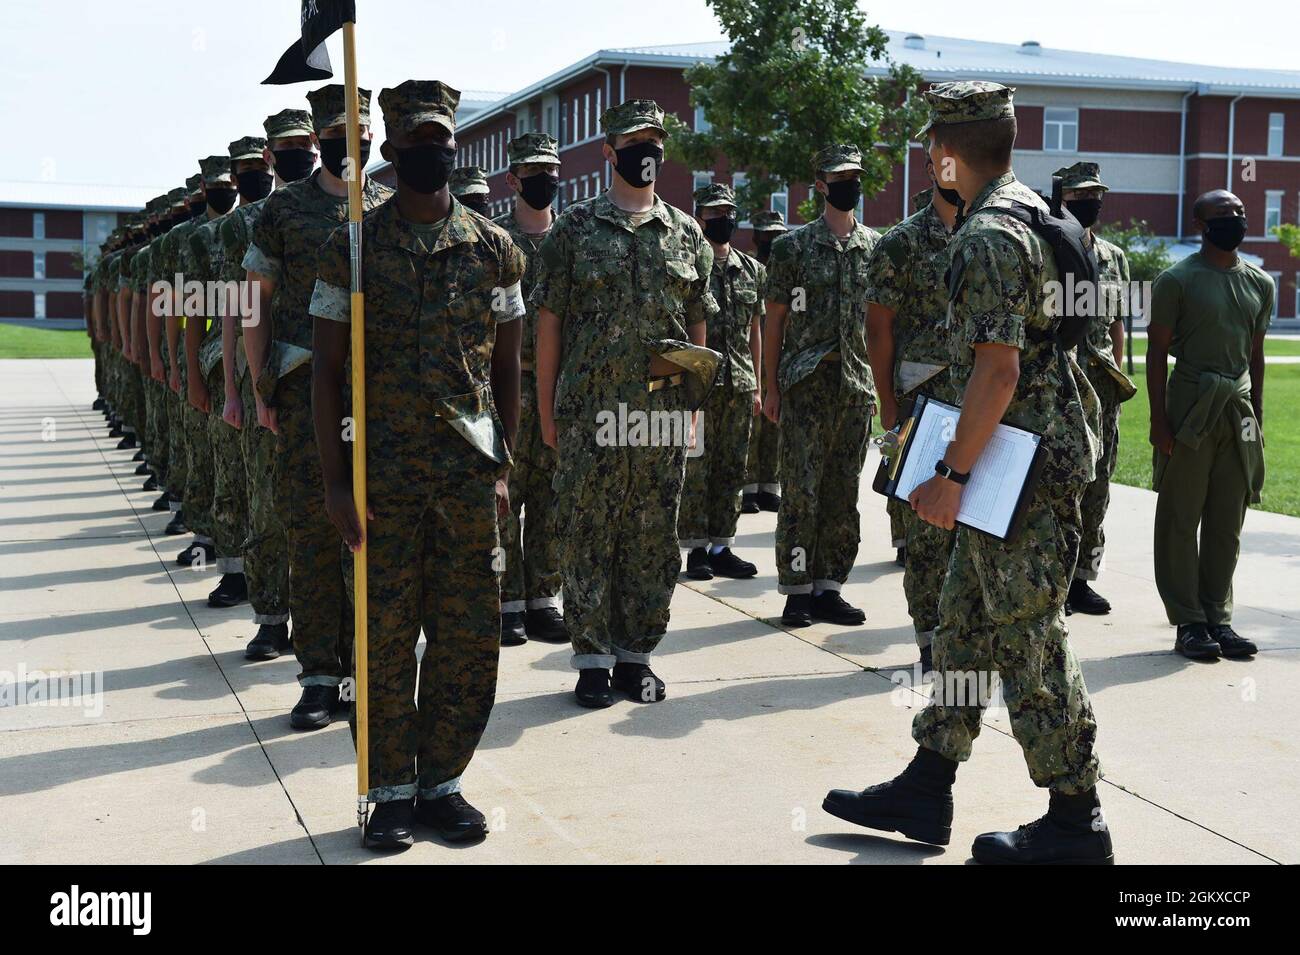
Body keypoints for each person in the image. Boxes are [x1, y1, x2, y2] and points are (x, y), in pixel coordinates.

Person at [824, 82, 1112, 865]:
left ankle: (1075, 816)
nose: (925, 156)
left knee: (1028, 637)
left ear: (951, 154)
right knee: (965, 628)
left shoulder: (989, 234)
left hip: (1013, 466)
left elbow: (998, 371)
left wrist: (950, 473)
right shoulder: (1038, 214)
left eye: (930, 144)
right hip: (1018, 460)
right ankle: (928, 780)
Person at [311, 79, 525, 850]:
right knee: (383, 636)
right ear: (391, 151)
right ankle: (387, 791)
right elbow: (326, 373)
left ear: (453, 147)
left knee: (469, 634)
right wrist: (336, 482)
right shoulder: (355, 246)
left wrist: (502, 463)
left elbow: (508, 366)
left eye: (442, 140)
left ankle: (442, 783)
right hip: (383, 481)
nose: (429, 153)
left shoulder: (495, 247)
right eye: (414, 144)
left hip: (467, 478)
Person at [533, 98, 719, 708]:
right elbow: (550, 325)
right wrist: (546, 412)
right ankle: (591, 659)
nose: (647, 151)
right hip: (589, 414)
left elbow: (699, 326)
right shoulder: (575, 229)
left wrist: (694, 407)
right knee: (588, 532)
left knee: (651, 537)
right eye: (634, 140)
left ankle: (635, 655)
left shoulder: (687, 232)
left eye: (655, 140)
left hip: (660, 416)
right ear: (609, 151)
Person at [243, 84, 393, 730]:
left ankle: (364, 665)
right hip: (307, 393)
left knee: (368, 533)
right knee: (311, 532)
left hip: (380, 398)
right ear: (319, 141)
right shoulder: (283, 212)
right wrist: (259, 381)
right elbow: (256, 299)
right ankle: (318, 676)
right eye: (335, 134)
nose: (348, 143)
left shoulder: (386, 208)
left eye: (358, 133)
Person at [1149, 189, 1268, 661]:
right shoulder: (1176, 280)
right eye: (1223, 215)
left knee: (1227, 519)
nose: (1235, 220)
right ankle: (1189, 622)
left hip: (1237, 411)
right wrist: (1160, 422)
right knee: (1181, 516)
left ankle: (1218, 617)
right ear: (1200, 225)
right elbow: (1157, 355)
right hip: (1191, 405)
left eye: (1239, 213)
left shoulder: (1260, 282)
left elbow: (1255, 356)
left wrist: (1256, 416)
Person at [763, 144, 878, 628]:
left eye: (856, 176)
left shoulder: (876, 247)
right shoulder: (792, 248)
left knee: (842, 491)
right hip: (806, 384)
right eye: (840, 177)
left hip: (855, 386)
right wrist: (769, 385)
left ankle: (830, 586)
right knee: (801, 490)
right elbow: (774, 320)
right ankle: (796, 590)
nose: (849, 184)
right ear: (821, 185)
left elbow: (883, 324)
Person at [221, 109, 317, 661]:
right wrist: (242, 388)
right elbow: (239, 306)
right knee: (268, 503)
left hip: (328, 387)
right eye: (289, 146)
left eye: (306, 143)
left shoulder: (352, 208)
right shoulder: (256, 220)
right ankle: (270, 617)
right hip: (273, 379)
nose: (300, 153)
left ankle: (321, 632)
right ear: (269, 156)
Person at [865, 168, 961, 675]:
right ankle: (930, 638)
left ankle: (969, 635)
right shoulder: (901, 243)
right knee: (925, 533)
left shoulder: (995, 234)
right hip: (921, 406)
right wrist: (887, 403)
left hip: (983, 406)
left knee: (978, 528)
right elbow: (877, 328)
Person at [494, 132, 568, 646]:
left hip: (563, 390)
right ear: (513, 180)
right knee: (504, 503)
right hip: (507, 388)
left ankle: (544, 601)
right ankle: (505, 603)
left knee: (551, 502)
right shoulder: (492, 240)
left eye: (551, 172)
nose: (545, 181)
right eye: (534, 173)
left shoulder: (574, 238)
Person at [1054, 162, 1136, 617]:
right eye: (1082, 195)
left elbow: (1117, 323)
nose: (1092, 202)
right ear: (1062, 198)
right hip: (1063, 381)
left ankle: (1083, 579)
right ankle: (1055, 578)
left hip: (1101, 385)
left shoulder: (1113, 256)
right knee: (1064, 482)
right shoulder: (1048, 248)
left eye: (1096, 194)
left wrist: (1117, 373)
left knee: (1099, 484)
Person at [679, 183, 763, 581]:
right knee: (697, 468)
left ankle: (721, 544)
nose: (723, 219)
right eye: (714, 213)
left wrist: (759, 384)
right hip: (701, 385)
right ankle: (695, 549)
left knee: (733, 468)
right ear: (700, 217)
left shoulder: (751, 269)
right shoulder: (691, 266)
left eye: (729, 212)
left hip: (741, 384)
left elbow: (755, 332)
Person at [180, 157, 239, 577]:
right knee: (226, 468)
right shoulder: (198, 239)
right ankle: (222, 557)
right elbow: (187, 313)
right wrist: (192, 374)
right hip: (221, 365)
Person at [741, 210, 786, 515]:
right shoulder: (747, 268)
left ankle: (770, 488)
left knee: (776, 427)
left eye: (776, 235)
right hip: (752, 357)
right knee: (751, 428)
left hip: (782, 357)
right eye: (765, 235)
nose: (770, 241)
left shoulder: (789, 268)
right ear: (755, 237)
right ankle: (748, 490)